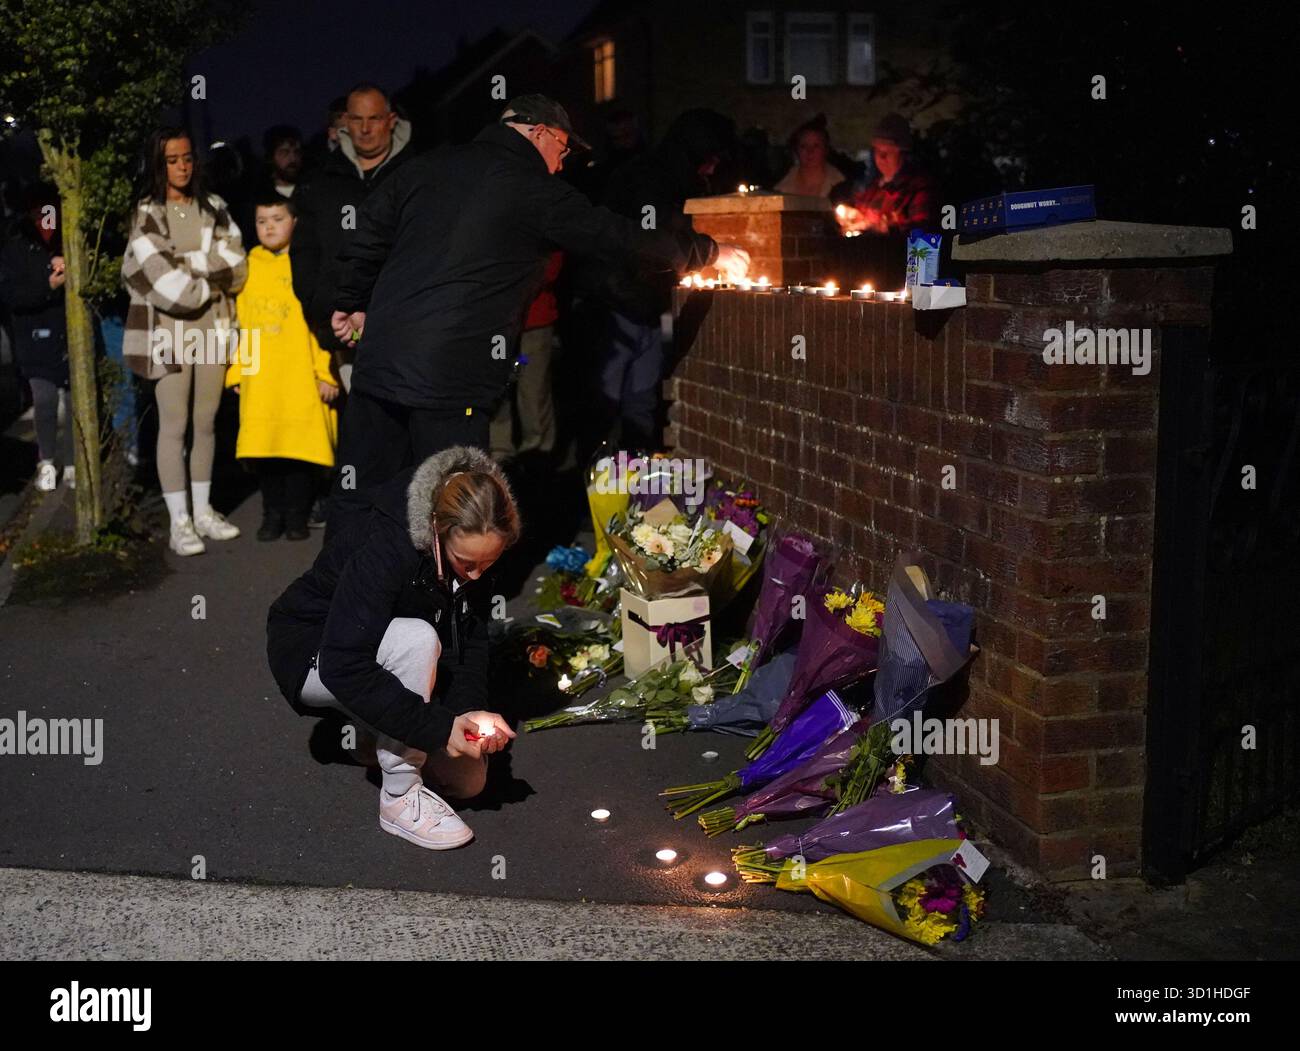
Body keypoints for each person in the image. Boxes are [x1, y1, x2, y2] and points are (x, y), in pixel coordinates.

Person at [325, 95, 748, 535]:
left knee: (362, 493)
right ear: (540, 133)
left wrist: (351, 301)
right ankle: (444, 601)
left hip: (381, 360)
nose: (562, 164)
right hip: (452, 376)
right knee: (452, 506)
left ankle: (339, 595)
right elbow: (616, 235)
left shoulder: (424, 167)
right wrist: (707, 252)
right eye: (563, 150)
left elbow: (367, 234)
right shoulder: (533, 189)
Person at [266, 445, 521, 849]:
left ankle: (372, 730)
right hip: (316, 651)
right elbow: (343, 664)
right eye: (465, 563)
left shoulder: (477, 541)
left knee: (468, 782)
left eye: (486, 565)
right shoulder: (386, 543)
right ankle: (399, 799)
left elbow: (470, 637)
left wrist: (467, 709)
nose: (475, 575)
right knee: (418, 637)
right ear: (436, 528)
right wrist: (440, 727)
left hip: (383, 650)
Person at [121, 127, 248, 557]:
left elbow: (239, 267)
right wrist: (207, 277)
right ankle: (180, 522)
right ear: (158, 164)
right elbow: (164, 284)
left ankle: (203, 510)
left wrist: (189, 264)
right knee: (173, 425)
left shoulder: (214, 207)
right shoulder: (146, 214)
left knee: (207, 422)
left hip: (214, 329)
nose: (181, 166)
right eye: (172, 159)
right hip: (167, 334)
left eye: (187, 158)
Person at [585, 107, 739, 452]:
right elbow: (651, 241)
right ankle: (597, 490)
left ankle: (635, 489)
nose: (712, 169)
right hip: (617, 305)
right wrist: (712, 253)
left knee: (641, 404)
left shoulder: (673, 179)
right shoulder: (649, 179)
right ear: (696, 152)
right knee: (606, 406)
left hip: (647, 305)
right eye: (710, 159)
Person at [226, 194, 338, 541]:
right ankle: (271, 514)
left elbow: (320, 325)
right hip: (261, 377)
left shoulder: (307, 262)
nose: (269, 227)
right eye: (262, 221)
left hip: (299, 375)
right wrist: (237, 371)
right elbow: (238, 325)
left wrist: (325, 372)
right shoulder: (248, 266)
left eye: (277, 219)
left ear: (294, 223)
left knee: (298, 452)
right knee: (266, 451)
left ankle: (296, 517)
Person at [291, 83, 413, 394]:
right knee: (365, 414)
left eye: (373, 119)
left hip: (406, 325)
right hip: (346, 329)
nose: (365, 129)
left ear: (391, 120)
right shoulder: (322, 182)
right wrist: (322, 306)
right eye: (357, 119)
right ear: (345, 121)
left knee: (406, 418)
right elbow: (305, 251)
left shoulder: (417, 174)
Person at [0, 185, 71, 491]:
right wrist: (48, 284)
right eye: (41, 212)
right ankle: (46, 460)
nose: (47, 218)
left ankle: (71, 462)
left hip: (67, 337)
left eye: (51, 211)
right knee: (44, 400)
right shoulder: (16, 247)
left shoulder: (67, 240)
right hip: (34, 338)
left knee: (70, 402)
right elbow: (12, 294)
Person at [489, 250, 562, 463]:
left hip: (534, 322)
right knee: (499, 382)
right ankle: (500, 447)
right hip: (502, 323)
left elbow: (551, 267)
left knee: (532, 386)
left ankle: (538, 449)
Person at [833, 112, 939, 236]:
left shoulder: (918, 189)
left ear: (902, 154)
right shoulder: (873, 188)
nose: (881, 157)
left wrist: (886, 226)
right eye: (878, 150)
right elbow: (861, 221)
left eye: (888, 151)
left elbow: (924, 234)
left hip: (897, 254)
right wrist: (855, 217)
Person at [774, 114, 847, 198]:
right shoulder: (781, 188)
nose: (810, 152)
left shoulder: (841, 186)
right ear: (796, 150)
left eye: (816, 146)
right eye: (803, 146)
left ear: (826, 149)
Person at [263, 125, 304, 199]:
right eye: (284, 153)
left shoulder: (312, 193)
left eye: (297, 152)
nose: (293, 159)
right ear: (271, 157)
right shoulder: (259, 196)